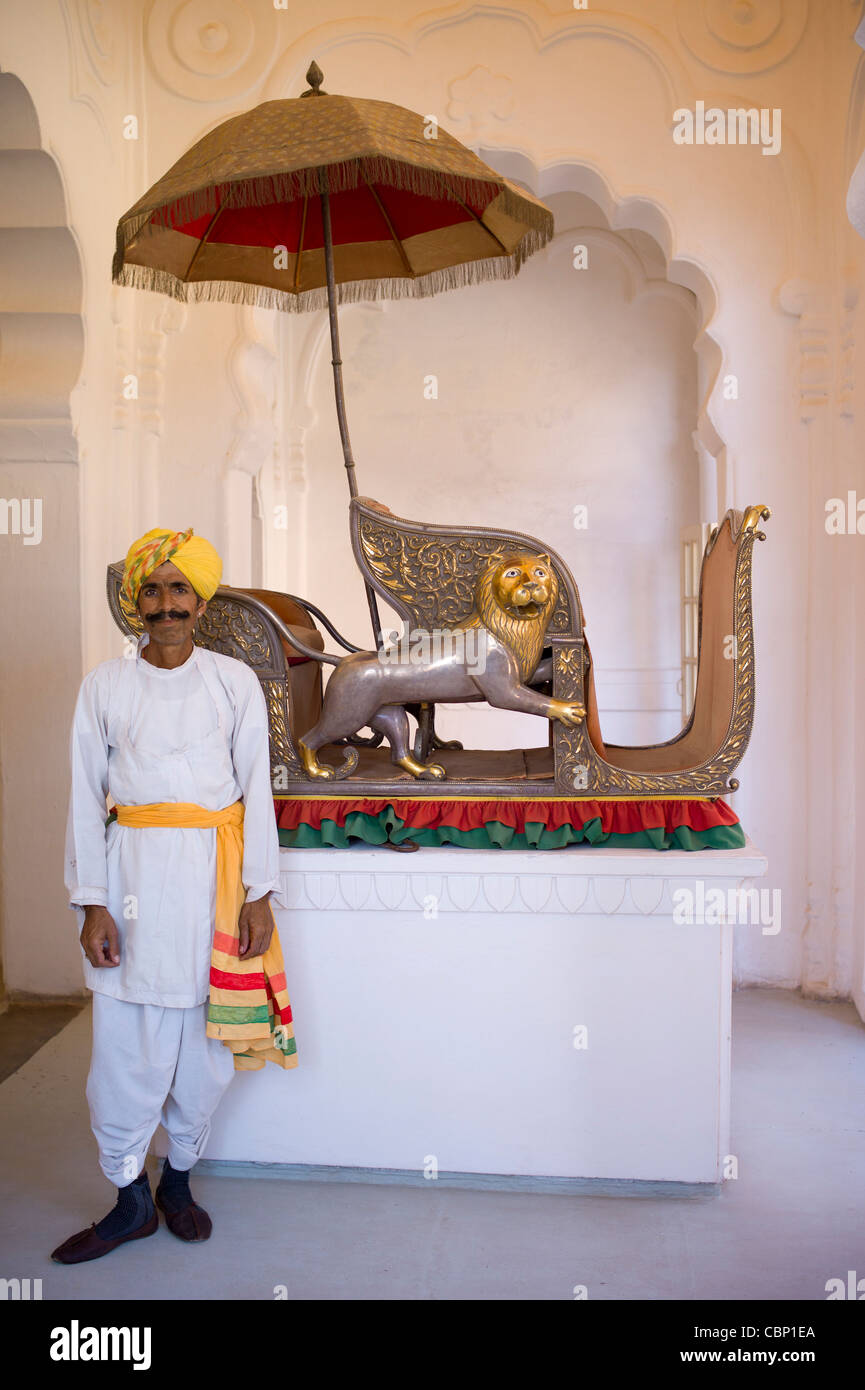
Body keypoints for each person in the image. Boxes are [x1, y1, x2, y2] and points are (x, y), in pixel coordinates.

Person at [53, 526, 296, 1265]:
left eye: (178, 590)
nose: (165, 605)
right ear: (136, 604)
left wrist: (259, 894)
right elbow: (83, 796)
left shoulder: (232, 681)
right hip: (129, 880)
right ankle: (129, 1199)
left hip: (212, 886)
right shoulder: (105, 685)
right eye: (151, 591)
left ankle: (179, 1184)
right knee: (123, 1054)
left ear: (200, 600)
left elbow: (257, 789)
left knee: (204, 1052)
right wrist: (91, 900)